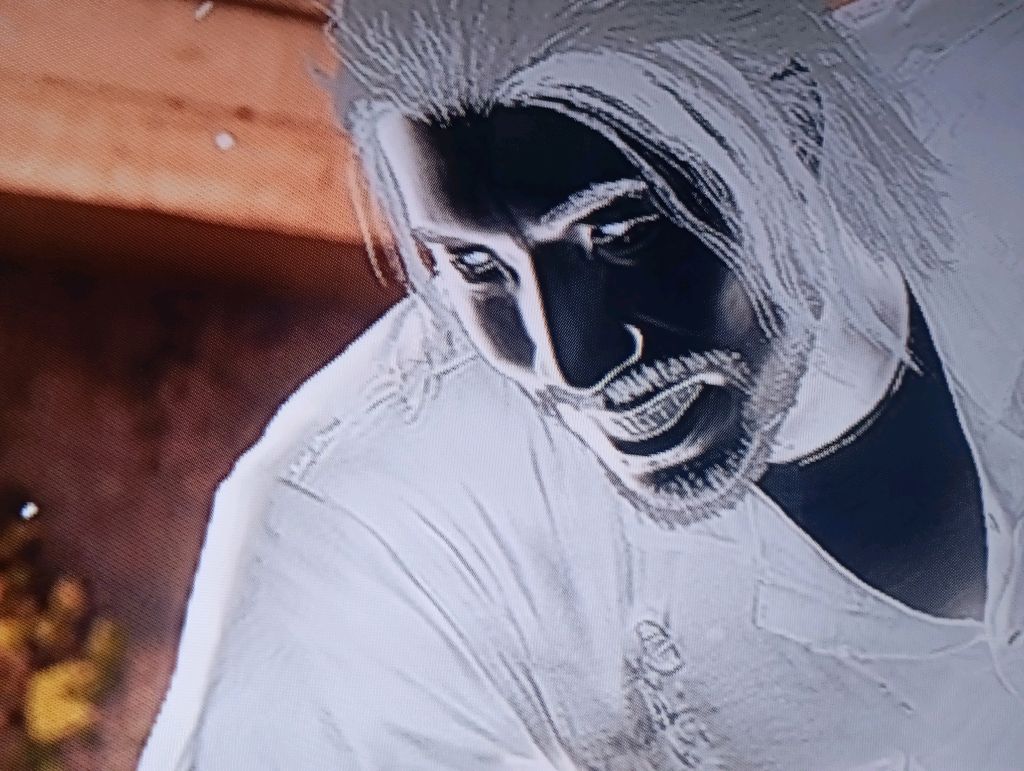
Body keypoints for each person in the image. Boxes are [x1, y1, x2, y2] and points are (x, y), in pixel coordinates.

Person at [141, 0, 1024, 768]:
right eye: (477, 267)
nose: (572, 360)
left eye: (622, 231)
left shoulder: (996, 101)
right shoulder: (375, 532)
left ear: (793, 122)